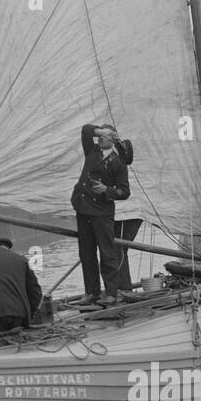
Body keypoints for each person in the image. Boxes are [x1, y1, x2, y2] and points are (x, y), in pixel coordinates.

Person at [69, 122, 131, 304]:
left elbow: (124, 191)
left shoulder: (118, 163)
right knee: (86, 253)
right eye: (100, 135)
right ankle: (92, 292)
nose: (99, 138)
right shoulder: (92, 150)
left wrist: (106, 189)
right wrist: (99, 130)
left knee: (107, 253)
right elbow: (85, 130)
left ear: (112, 140)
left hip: (102, 212)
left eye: (103, 136)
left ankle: (111, 293)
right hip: (83, 208)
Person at [0, 237, 43, 332]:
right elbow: (35, 292)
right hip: (18, 316)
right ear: (9, 248)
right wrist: (29, 314)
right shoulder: (22, 260)